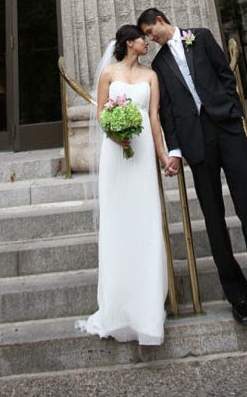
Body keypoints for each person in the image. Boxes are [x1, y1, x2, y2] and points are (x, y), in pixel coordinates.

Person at [137, 8, 247, 325]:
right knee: (214, 220)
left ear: (160, 21)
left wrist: (233, 112)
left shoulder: (199, 37)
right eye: (146, 36)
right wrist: (174, 149)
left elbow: (225, 76)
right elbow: (167, 114)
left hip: (227, 131)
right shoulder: (159, 65)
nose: (149, 39)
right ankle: (238, 297)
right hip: (196, 144)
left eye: (149, 32)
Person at [76, 24, 171, 346]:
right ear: (130, 43)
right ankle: (116, 307)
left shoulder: (151, 77)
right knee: (118, 224)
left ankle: (148, 307)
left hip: (142, 149)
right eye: (143, 38)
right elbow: (101, 112)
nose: (147, 42)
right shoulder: (108, 73)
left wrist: (163, 156)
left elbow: (154, 116)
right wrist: (115, 134)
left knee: (145, 222)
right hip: (116, 152)